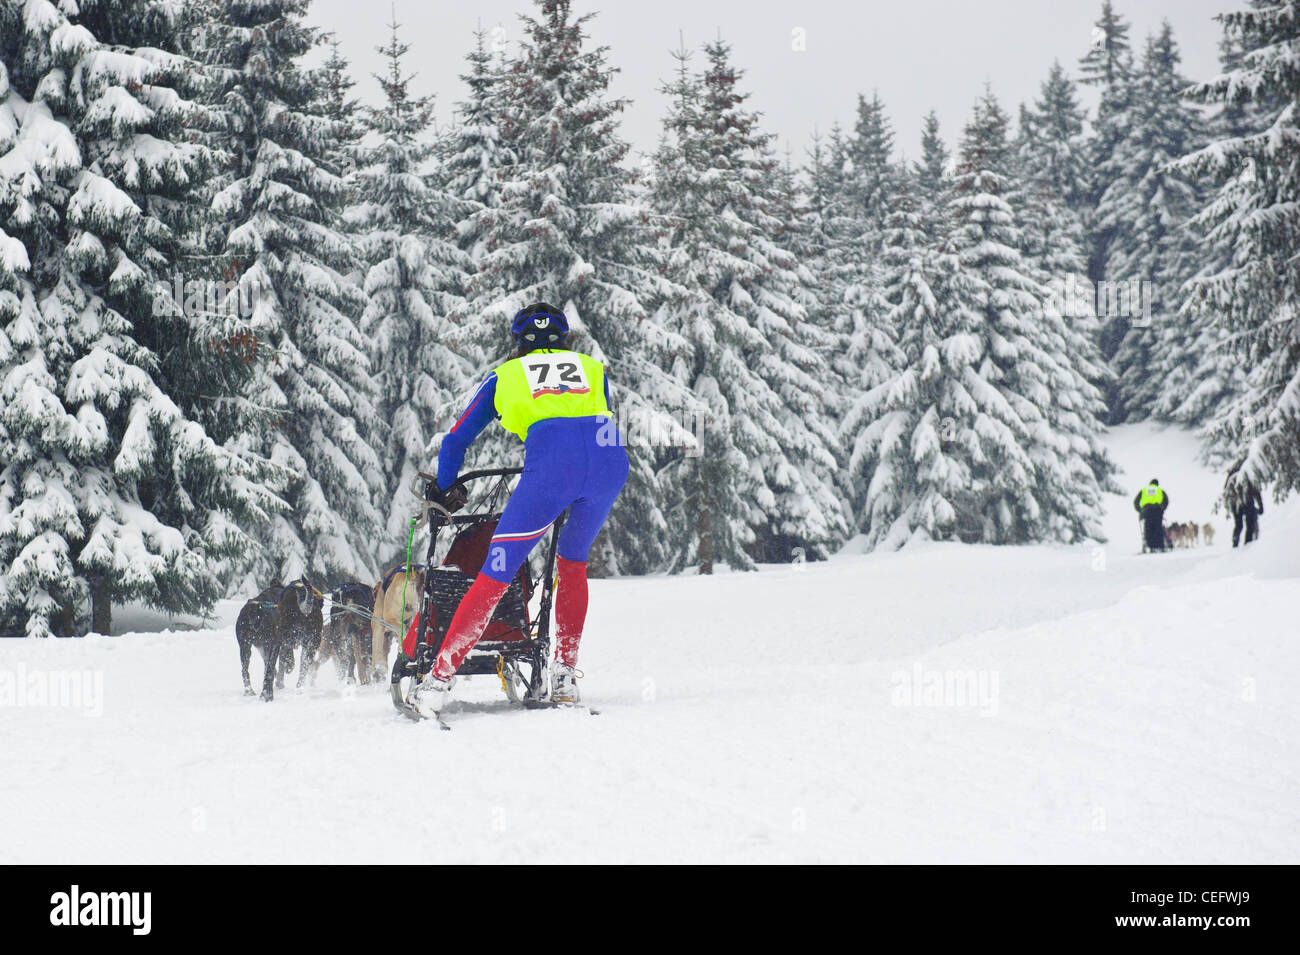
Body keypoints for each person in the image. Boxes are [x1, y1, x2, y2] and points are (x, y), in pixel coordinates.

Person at [407, 303, 628, 718]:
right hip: (609, 461)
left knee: (495, 574)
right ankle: (564, 677)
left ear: (517, 341)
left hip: (552, 468)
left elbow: (455, 441)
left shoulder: (506, 375)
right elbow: (594, 418)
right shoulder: (592, 368)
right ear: (564, 339)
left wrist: (445, 486)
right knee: (573, 563)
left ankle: (436, 684)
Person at [1133, 478, 1169, 553]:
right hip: (1157, 510)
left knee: (1148, 528)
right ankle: (1160, 546)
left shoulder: (1144, 490)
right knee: (1158, 528)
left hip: (1146, 511)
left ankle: (1149, 546)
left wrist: (1140, 510)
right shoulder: (1159, 490)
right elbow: (1166, 501)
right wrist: (1162, 509)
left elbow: (1136, 501)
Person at [1230, 477, 1264, 547]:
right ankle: (1247, 545)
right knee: (1249, 525)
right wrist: (1260, 506)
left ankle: (1235, 543)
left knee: (1239, 525)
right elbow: (1256, 492)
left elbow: (1227, 491)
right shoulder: (1249, 474)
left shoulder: (1233, 476)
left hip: (1236, 504)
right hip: (1248, 503)